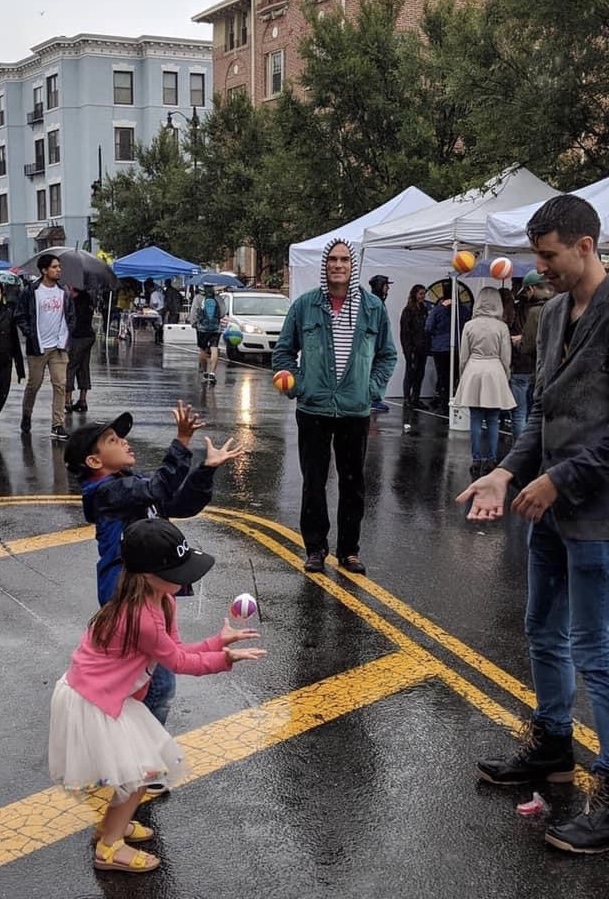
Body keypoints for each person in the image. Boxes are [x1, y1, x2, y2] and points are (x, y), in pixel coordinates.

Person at [456, 194, 609, 854]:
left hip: (597, 513)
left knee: (596, 649)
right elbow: (543, 415)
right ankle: (551, 745)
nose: (536, 268)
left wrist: (555, 480)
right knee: (540, 628)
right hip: (546, 507)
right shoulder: (548, 317)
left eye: (547, 256)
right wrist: (506, 471)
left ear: (583, 245)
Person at [49, 516, 265, 874]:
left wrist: (217, 642)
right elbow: (178, 661)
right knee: (142, 771)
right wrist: (224, 659)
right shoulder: (142, 616)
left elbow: (175, 649)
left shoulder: (161, 599)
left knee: (137, 772)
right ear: (148, 575)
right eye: (177, 570)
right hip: (94, 701)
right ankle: (108, 848)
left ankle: (111, 826)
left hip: (105, 696)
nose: (186, 577)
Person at [63, 400, 244, 792]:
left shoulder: (126, 484)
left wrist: (205, 471)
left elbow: (177, 503)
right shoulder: (106, 491)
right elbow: (160, 487)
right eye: (114, 440)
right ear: (95, 462)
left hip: (147, 591)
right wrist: (181, 441)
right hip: (126, 597)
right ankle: (139, 764)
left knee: (134, 684)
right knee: (154, 685)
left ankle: (123, 759)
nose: (125, 443)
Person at [272, 237, 397, 575]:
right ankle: (315, 548)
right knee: (313, 480)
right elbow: (283, 352)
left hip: (355, 410)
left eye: (344, 260)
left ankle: (349, 551)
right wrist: (297, 384)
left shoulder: (372, 307)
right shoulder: (305, 306)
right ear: (324, 266)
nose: (338, 265)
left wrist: (371, 390)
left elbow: (388, 355)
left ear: (352, 266)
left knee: (353, 482)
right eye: (333, 260)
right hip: (313, 408)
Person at [453, 287, 515, 479]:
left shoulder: (470, 325)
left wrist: (463, 376)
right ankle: (492, 459)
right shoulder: (502, 327)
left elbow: (463, 356)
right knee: (494, 419)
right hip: (494, 369)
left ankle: (476, 459)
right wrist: (505, 375)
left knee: (476, 419)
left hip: (474, 368)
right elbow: (506, 357)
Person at [15, 254, 75, 440]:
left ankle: (57, 425)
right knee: (34, 384)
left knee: (60, 385)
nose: (58, 270)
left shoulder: (63, 291)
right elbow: (20, 315)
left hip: (59, 347)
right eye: (54, 267)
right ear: (44, 270)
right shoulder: (31, 291)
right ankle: (27, 415)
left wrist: (66, 335)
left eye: (59, 267)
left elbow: (71, 316)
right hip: (38, 346)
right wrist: (30, 334)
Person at [509, 270, 554, 438]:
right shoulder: (562, 305)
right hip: (559, 371)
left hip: (537, 371)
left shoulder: (536, 312)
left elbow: (528, 347)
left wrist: (520, 341)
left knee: (527, 416)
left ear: (532, 289)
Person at [424, 282, 471, 413]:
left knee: (443, 376)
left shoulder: (438, 309)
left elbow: (428, 327)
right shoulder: (463, 309)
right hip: (458, 347)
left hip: (440, 348)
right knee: (455, 376)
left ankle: (444, 403)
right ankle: (454, 401)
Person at [64, 288, 96, 414]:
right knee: (83, 367)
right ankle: (82, 400)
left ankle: (67, 401)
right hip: (88, 336)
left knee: (70, 367)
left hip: (78, 337)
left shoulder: (74, 300)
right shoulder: (87, 297)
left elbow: (72, 319)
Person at [399, 284, 429, 409]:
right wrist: (408, 350)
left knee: (420, 373)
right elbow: (405, 332)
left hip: (422, 347)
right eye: (421, 294)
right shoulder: (408, 311)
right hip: (412, 348)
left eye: (424, 294)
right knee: (410, 373)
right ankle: (407, 398)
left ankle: (415, 397)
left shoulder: (423, 309)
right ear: (415, 294)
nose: (423, 296)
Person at [189, 286, 227, 384]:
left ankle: (205, 372)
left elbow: (193, 312)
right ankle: (212, 373)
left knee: (202, 349)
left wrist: (194, 324)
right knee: (214, 349)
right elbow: (223, 313)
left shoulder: (198, 298)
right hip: (215, 328)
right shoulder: (218, 298)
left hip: (202, 328)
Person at [368, 275, 394, 413]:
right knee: (374, 369)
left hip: (378, 342)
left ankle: (374, 397)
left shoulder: (378, 302)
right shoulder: (375, 303)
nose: (388, 288)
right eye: (386, 285)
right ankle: (372, 398)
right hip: (375, 343)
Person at [0, 282, 25, 417]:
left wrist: (20, 369)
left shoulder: (8, 313)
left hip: (5, 361)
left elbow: (15, 342)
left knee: (3, 392)